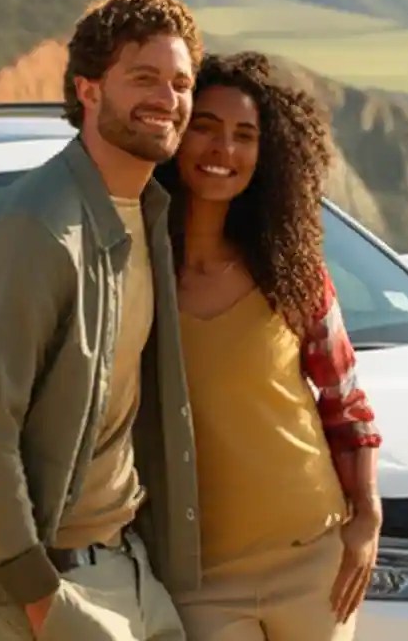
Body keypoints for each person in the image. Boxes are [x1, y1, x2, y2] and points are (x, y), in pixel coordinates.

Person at [0, 0, 204, 641]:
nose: (167, 98)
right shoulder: (34, 229)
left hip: (129, 566)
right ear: (88, 90)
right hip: (56, 581)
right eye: (142, 78)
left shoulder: (149, 216)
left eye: (180, 83)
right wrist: (38, 596)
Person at [154, 52, 384, 641]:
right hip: (199, 576)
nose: (223, 149)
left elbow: (346, 404)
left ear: (267, 154)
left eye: (245, 135)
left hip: (314, 559)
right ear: (176, 134)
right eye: (205, 127)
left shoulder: (293, 275)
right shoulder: (137, 276)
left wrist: (366, 519)